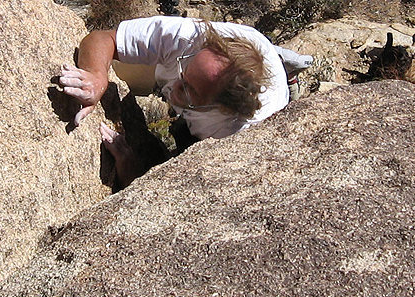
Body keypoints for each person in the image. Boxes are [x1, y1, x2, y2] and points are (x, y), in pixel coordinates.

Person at [58, 16, 305, 188]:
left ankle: (285, 74)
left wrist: (133, 172)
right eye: (184, 73)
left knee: (185, 138)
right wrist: (96, 77)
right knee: (127, 65)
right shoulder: (189, 39)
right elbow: (104, 39)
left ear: (223, 108)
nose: (176, 85)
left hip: (223, 123)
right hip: (230, 52)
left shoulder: (239, 135)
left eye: (189, 89)